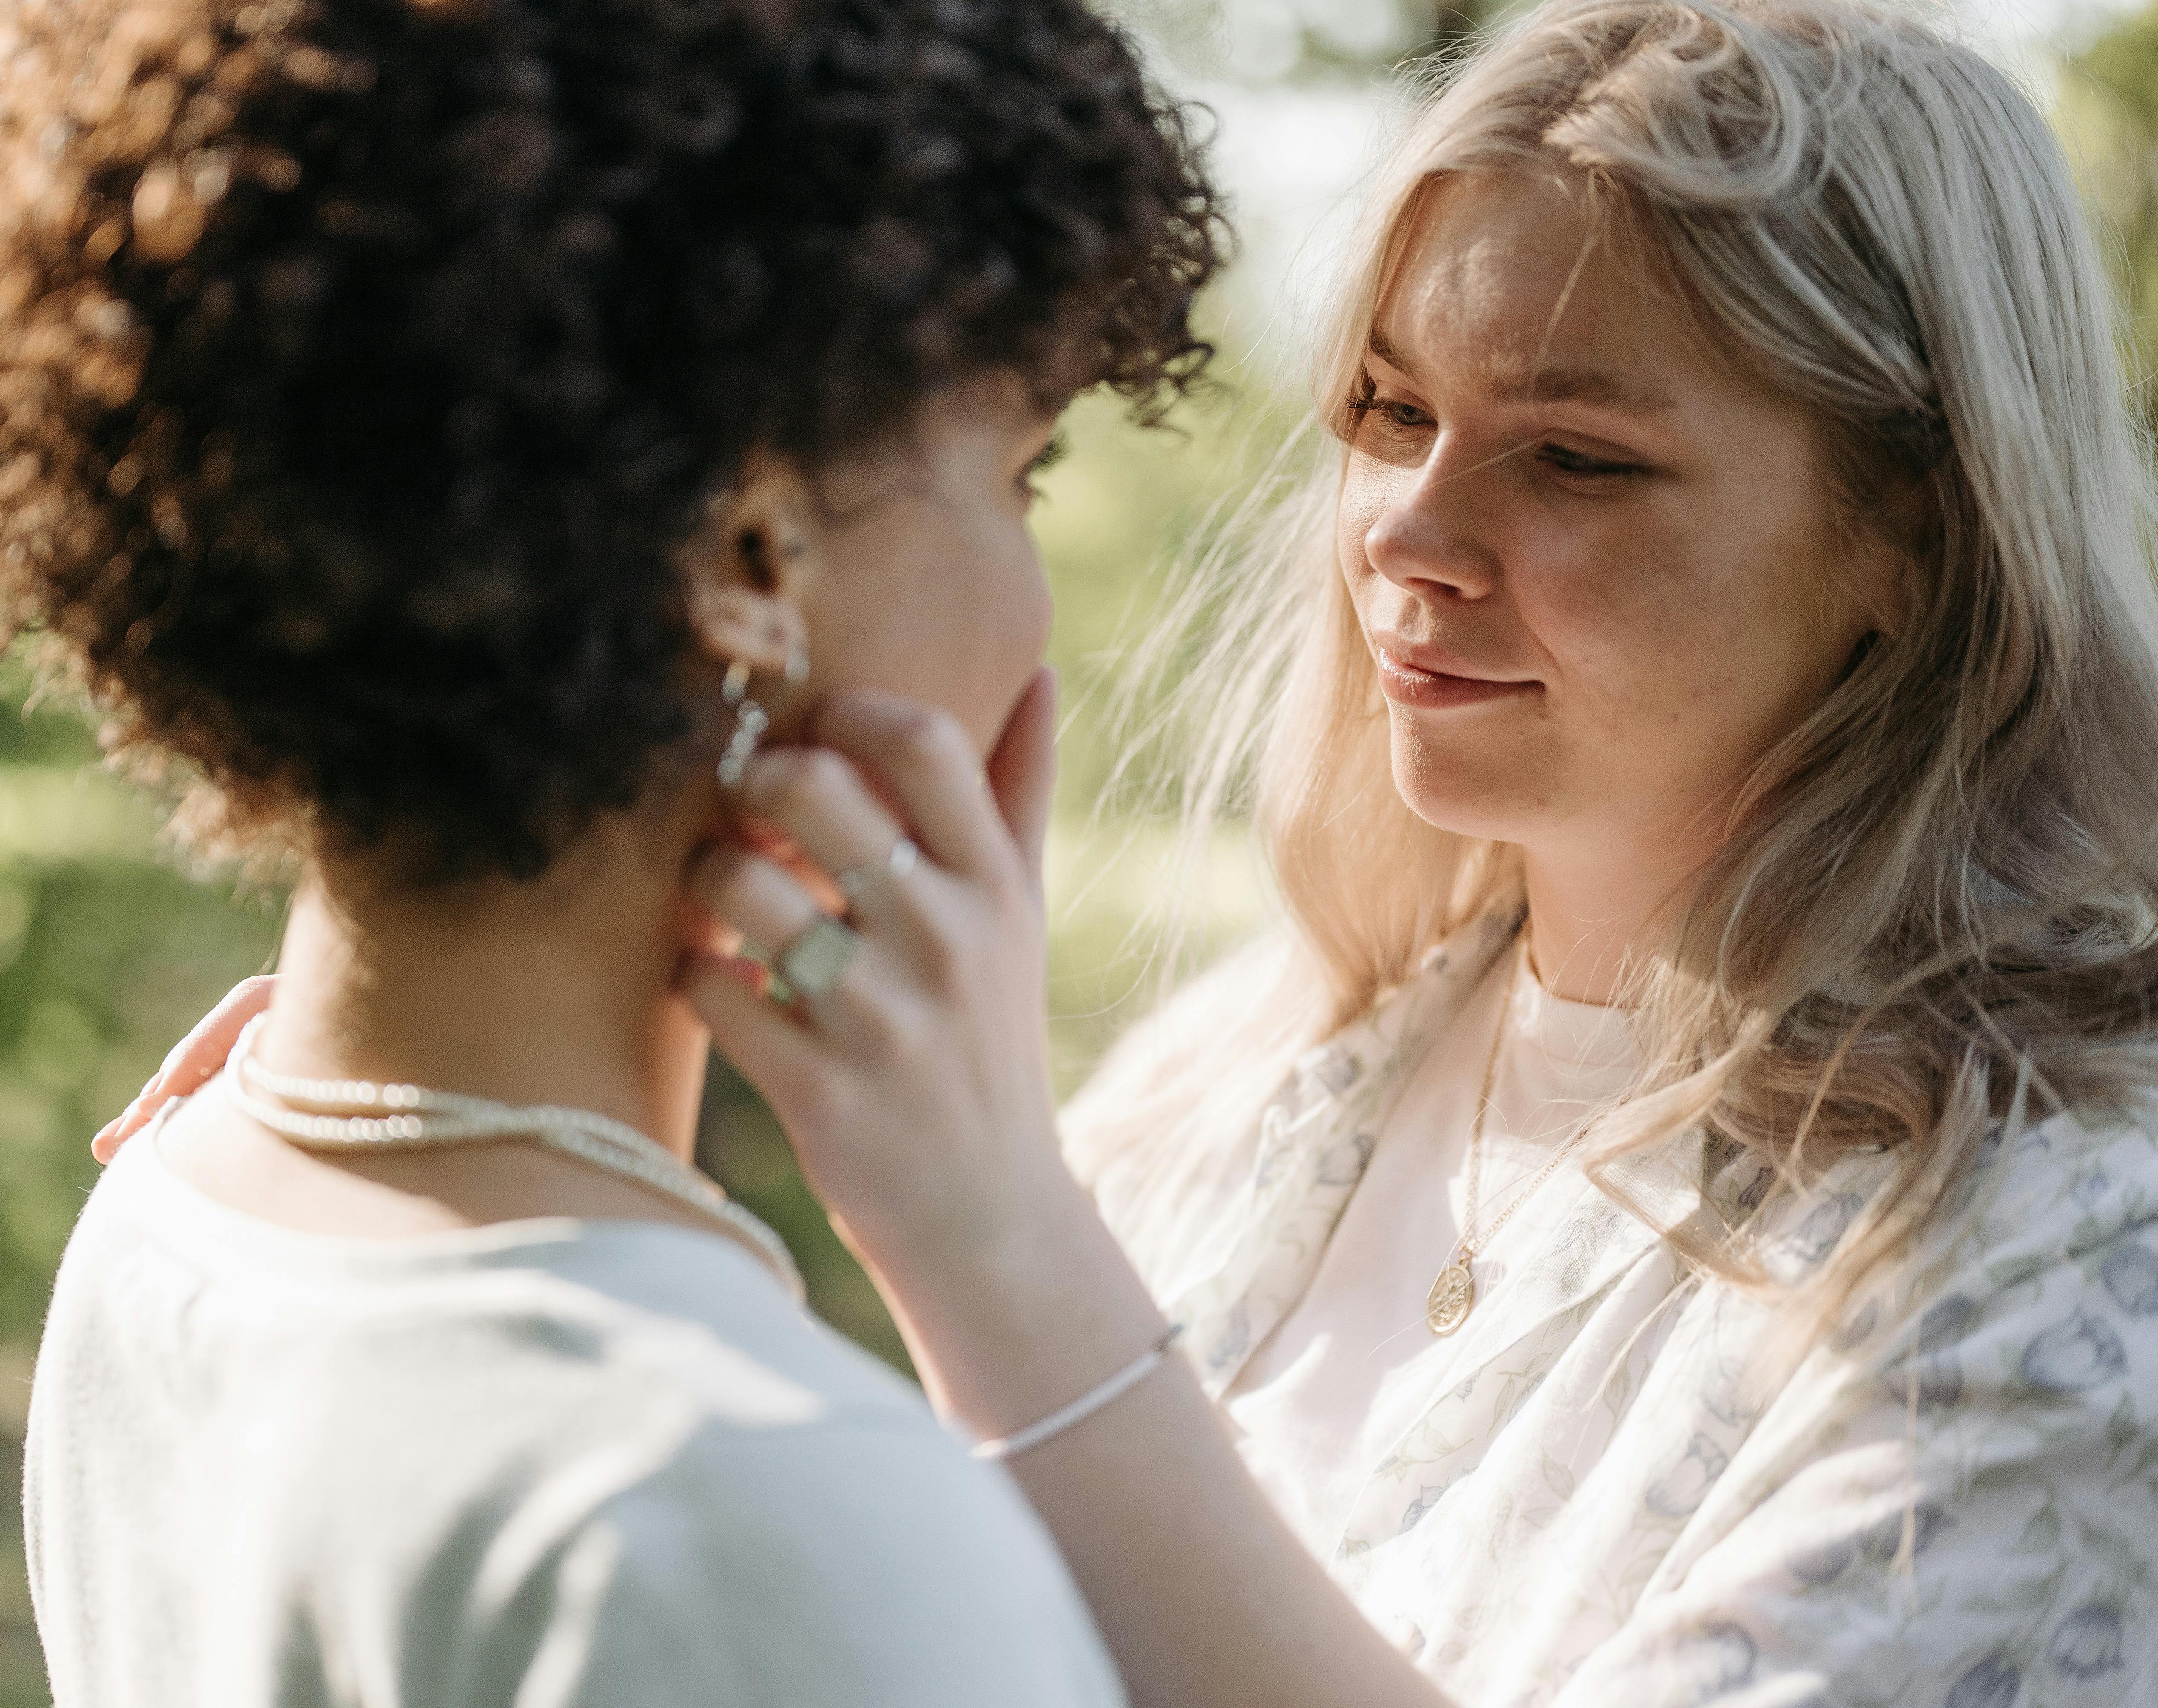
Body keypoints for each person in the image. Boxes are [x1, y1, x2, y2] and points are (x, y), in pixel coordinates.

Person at [118, 0, 2158, 1702]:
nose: (1408, 540)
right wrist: (427, 1125)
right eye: (1382, 411)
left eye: (1576, 458)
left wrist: (994, 1239)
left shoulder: (2079, 1252)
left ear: (1916, 529)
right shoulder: (1260, 1061)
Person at [0, 0, 1229, 1701]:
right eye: (1024, 470)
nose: (1033, 610)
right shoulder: (771, 1500)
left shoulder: (168, 1207)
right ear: (749, 552)